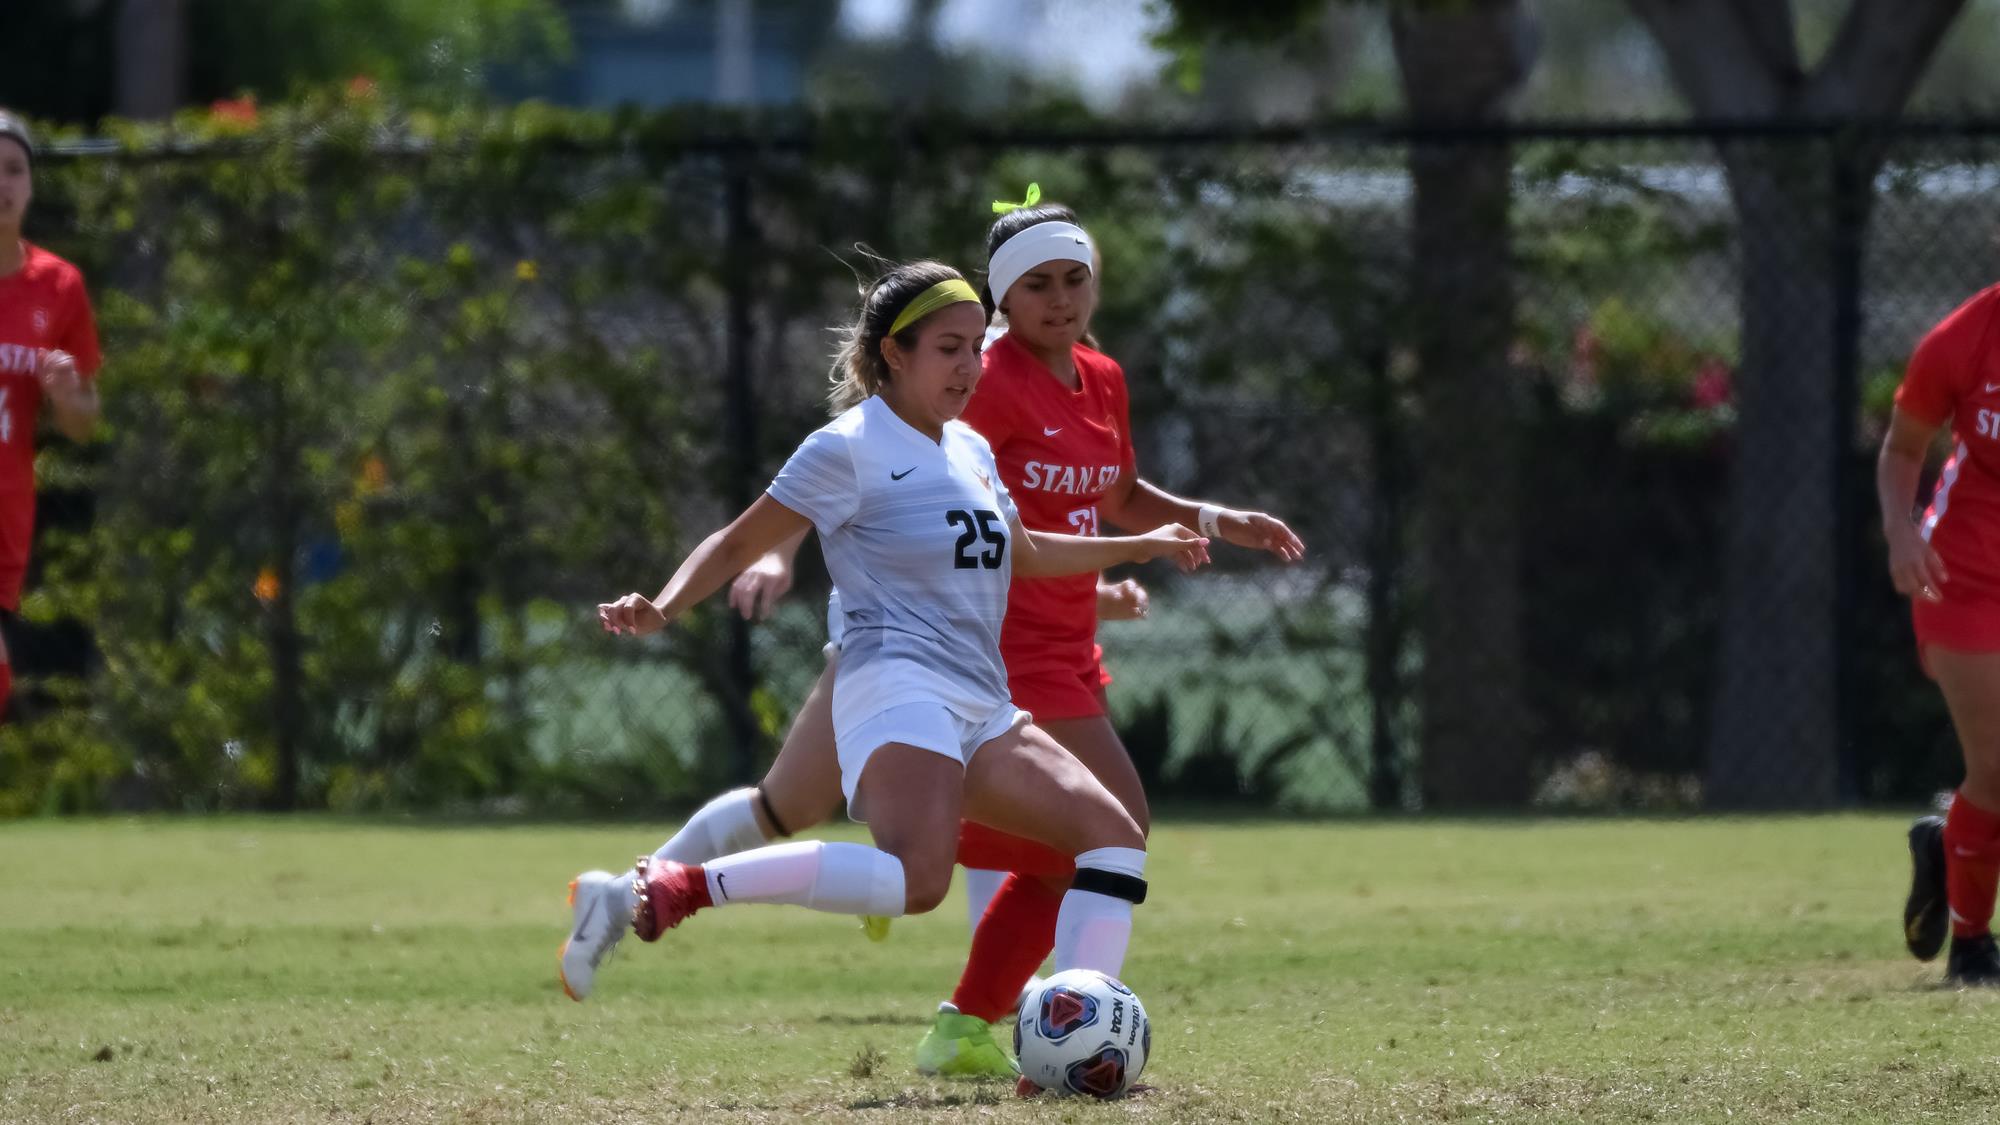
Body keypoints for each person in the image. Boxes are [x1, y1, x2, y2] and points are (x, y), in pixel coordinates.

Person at [581, 197, 1304, 1081]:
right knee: (915, 879)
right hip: (895, 682)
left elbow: (1028, 549)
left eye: (973, 346)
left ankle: (1073, 1032)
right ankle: (688, 886)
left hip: (982, 696)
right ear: (895, 354)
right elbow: (740, 536)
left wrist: (1146, 541)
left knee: (1110, 836)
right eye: (951, 349)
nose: (970, 366)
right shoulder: (846, 444)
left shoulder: (968, 450)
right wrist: (662, 604)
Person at [1887, 283, 2000, 985]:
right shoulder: (1964, 338)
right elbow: (1902, 449)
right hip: (1963, 577)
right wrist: (1899, 531)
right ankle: (1971, 947)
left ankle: (1947, 840)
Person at [0, 110, 102, 719]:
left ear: (31, 186)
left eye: (14, 170)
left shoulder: (58, 286)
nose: (2, 184)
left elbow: (84, 423)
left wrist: (70, 397)